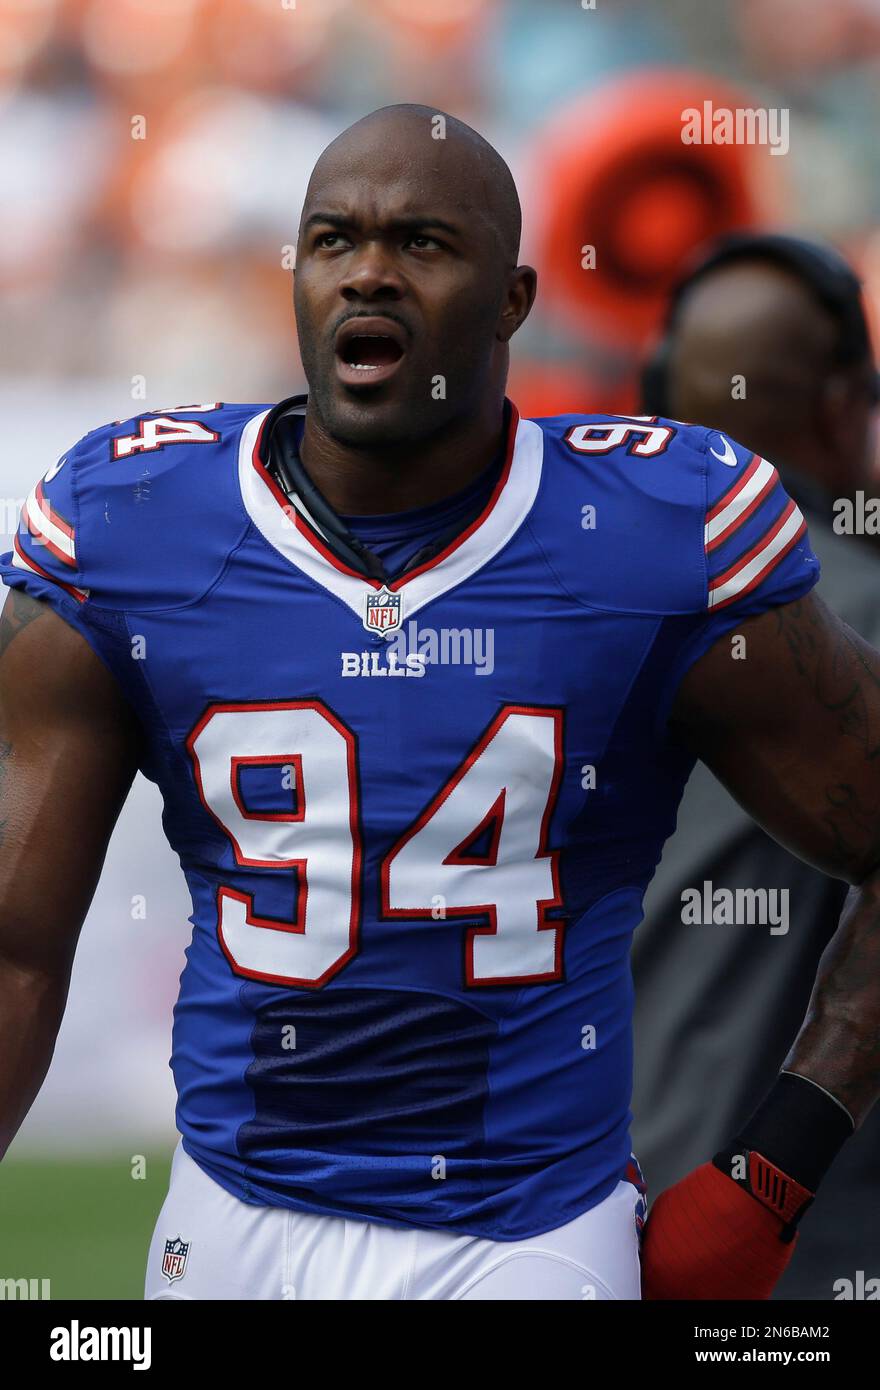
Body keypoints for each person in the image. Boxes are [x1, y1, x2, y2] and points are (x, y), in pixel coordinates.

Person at [0, 108, 878, 1302]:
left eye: (421, 242)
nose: (368, 270)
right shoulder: (133, 524)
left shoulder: (652, 534)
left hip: (523, 1236)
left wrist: (773, 1168)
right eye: (332, 239)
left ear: (512, 299)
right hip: (227, 1220)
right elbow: (12, 945)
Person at [636, 233, 880, 1298]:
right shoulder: (858, 602)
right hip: (804, 1228)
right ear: (842, 408)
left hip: (561, 1218)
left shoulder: (554, 607)